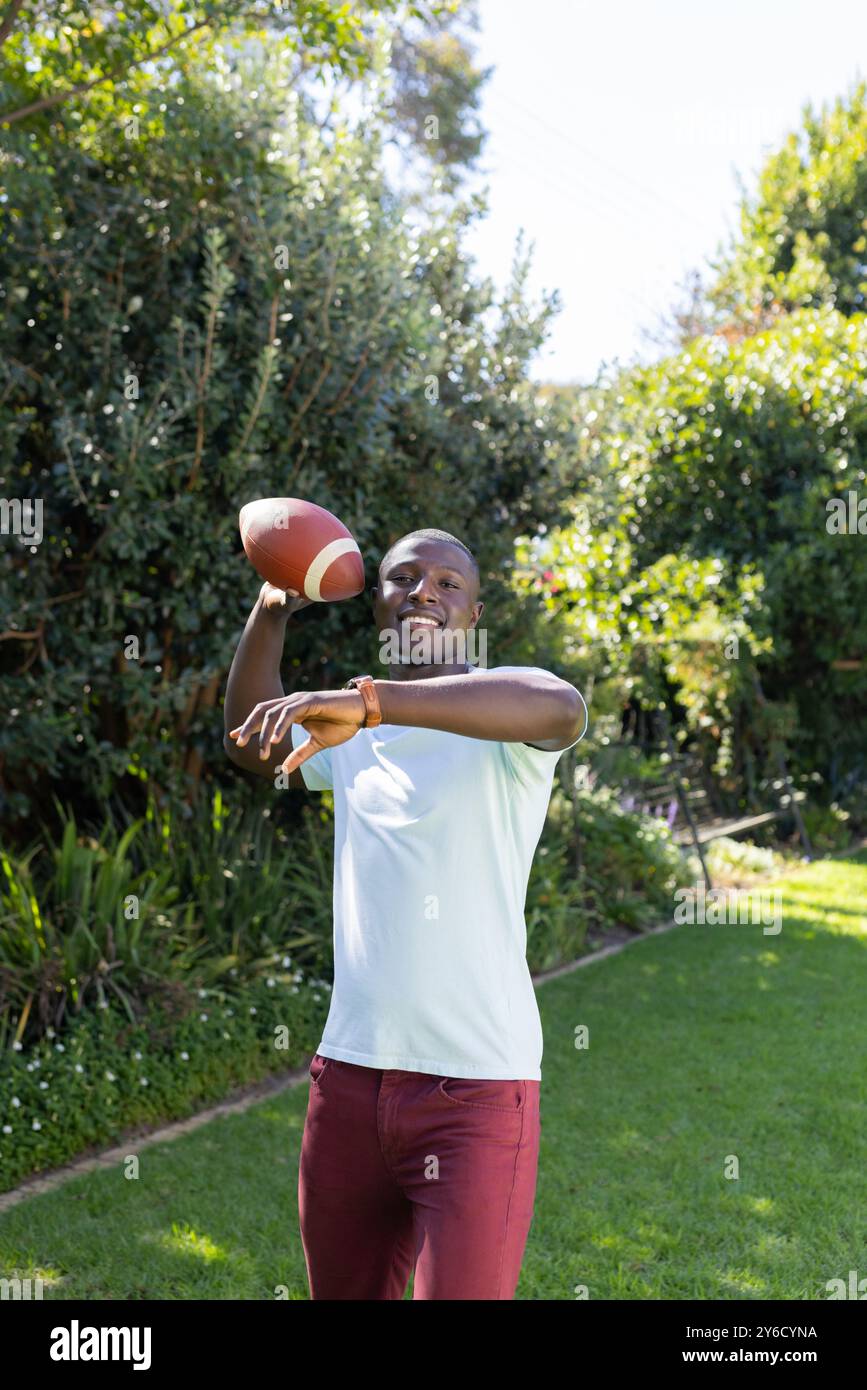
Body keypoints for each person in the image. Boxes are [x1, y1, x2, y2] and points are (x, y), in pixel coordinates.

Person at [223, 527, 588, 1300]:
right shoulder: (349, 732)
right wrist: (271, 610)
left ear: (474, 611)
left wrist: (371, 704)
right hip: (350, 1081)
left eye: (447, 583)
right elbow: (251, 743)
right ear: (378, 604)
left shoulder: (502, 722)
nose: (424, 590)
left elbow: (561, 706)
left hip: (477, 1091)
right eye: (403, 578)